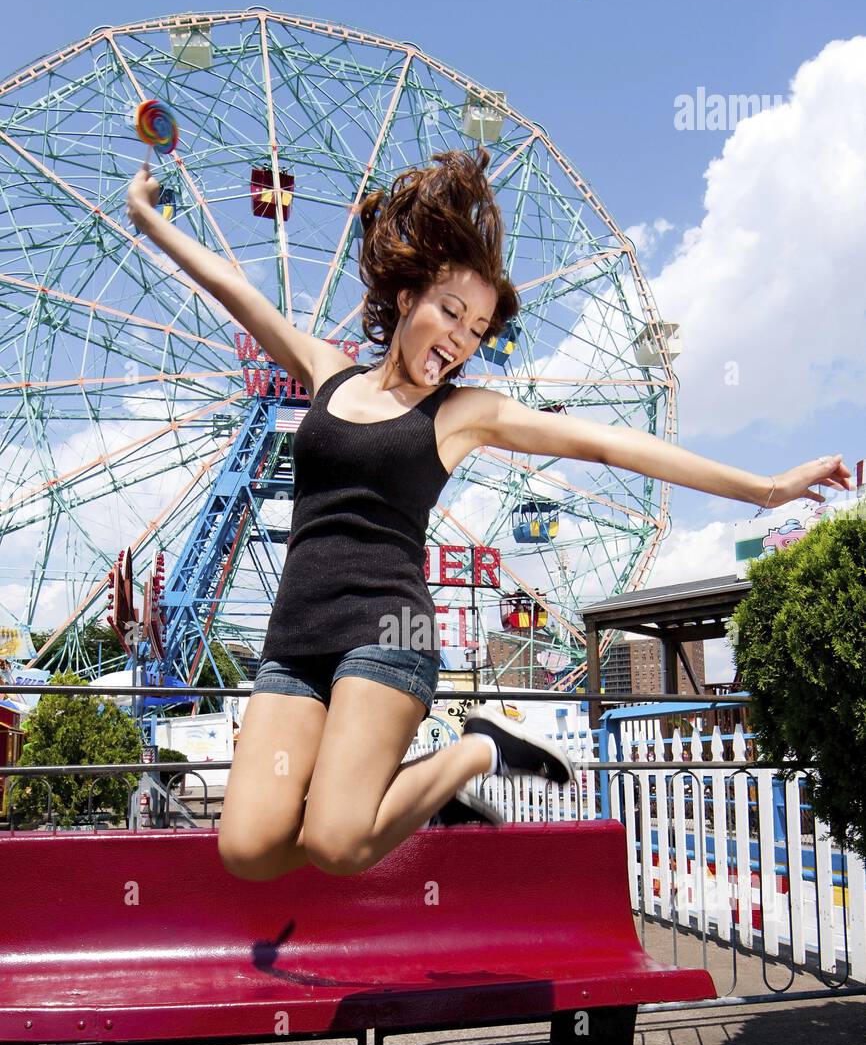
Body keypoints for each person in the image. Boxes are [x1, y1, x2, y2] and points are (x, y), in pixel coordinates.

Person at [126, 148, 851, 882]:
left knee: (337, 844)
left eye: (475, 329)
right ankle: (404, 780)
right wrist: (146, 217)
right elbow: (232, 288)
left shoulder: (463, 414)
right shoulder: (326, 371)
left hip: (385, 635)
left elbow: (609, 444)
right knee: (248, 850)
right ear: (406, 296)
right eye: (451, 311)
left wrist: (763, 490)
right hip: (294, 640)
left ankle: (478, 749)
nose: (460, 338)